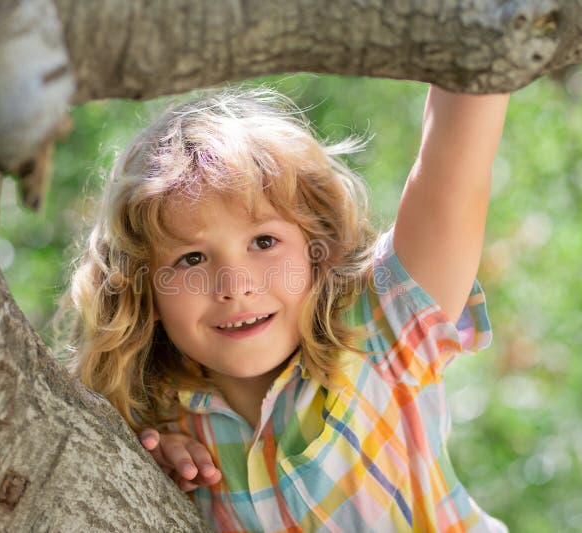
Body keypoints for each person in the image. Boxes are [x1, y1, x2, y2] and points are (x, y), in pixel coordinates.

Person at [62, 84, 510, 531]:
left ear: (318, 249)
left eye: (264, 242)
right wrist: (141, 467)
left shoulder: (380, 329)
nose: (235, 287)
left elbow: (453, 168)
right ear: (145, 290)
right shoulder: (154, 422)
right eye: (191, 259)